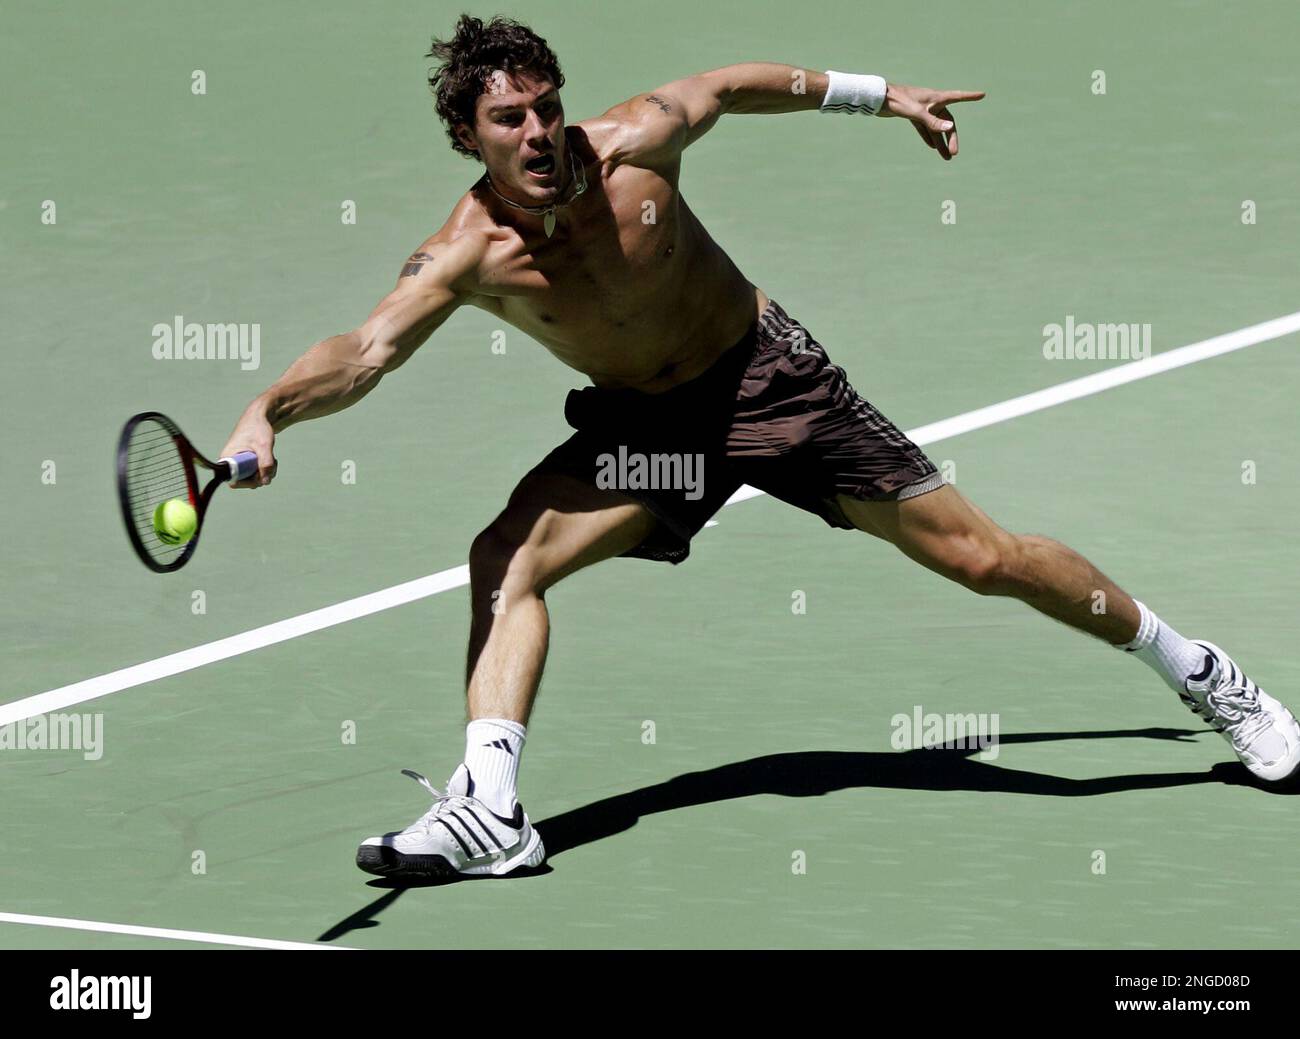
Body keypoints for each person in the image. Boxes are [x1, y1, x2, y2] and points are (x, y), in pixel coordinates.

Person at [220, 14, 1300, 881]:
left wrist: (883, 96)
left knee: (983, 559)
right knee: (508, 558)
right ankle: (493, 810)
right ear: (471, 137)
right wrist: (269, 410)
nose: (541, 131)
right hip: (653, 431)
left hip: (768, 382)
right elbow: (363, 351)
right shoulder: (466, 256)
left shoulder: (633, 145)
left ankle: (1200, 670)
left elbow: (732, 86)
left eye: (547, 105)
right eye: (511, 118)